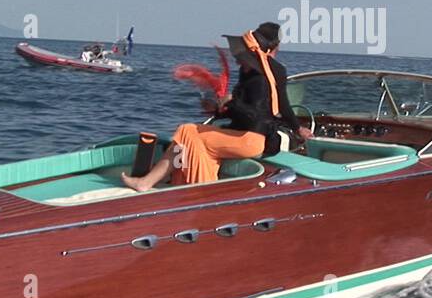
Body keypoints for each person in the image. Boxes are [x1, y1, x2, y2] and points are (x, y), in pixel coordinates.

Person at [122, 22, 312, 190]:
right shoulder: (252, 71)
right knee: (192, 136)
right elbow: (273, 107)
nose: (237, 58)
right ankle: (158, 183)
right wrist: (217, 109)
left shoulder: (262, 74)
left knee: (187, 132)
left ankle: (193, 188)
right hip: (242, 135)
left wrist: (231, 102)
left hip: (250, 139)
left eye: (241, 53)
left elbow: (258, 114)